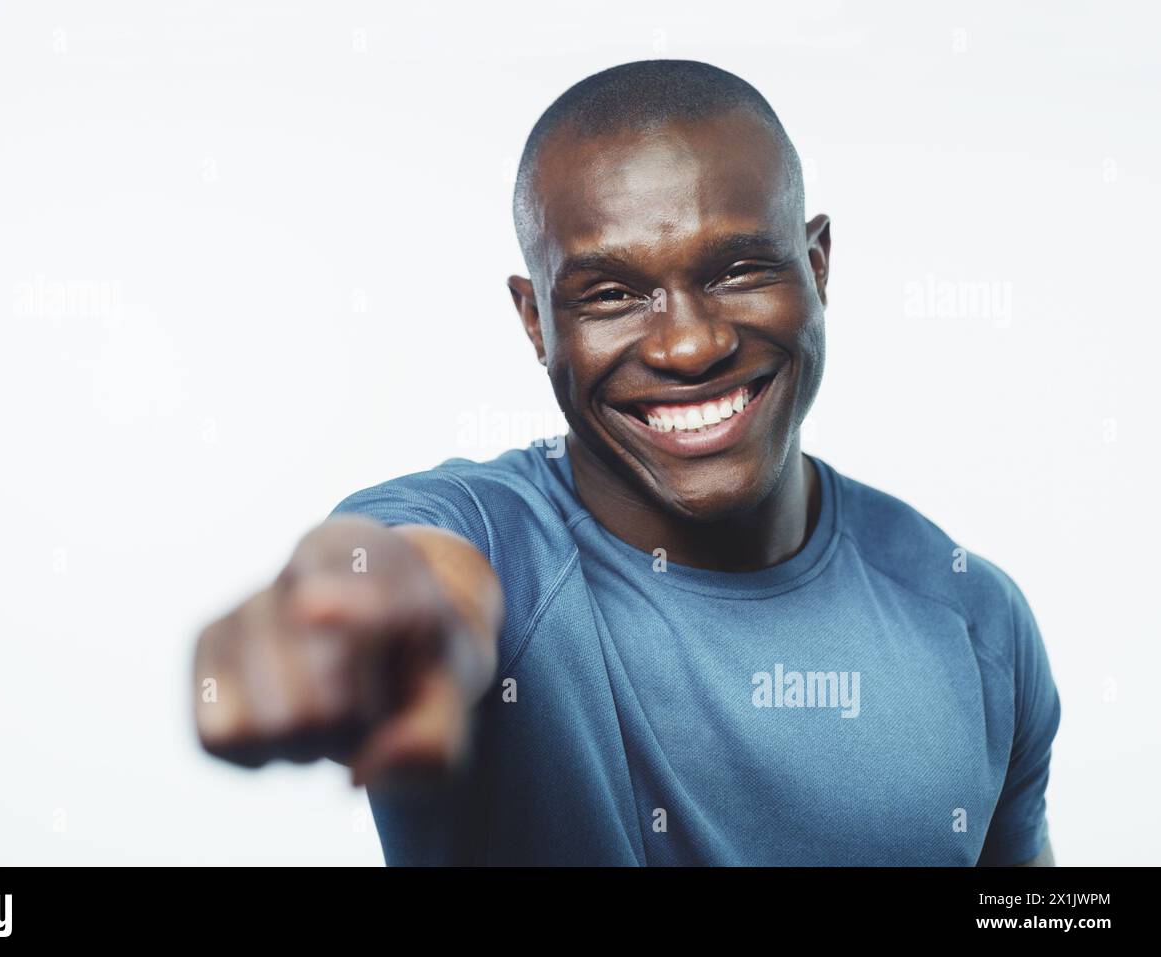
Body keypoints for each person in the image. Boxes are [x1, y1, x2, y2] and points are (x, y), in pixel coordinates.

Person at [191, 59, 1060, 866]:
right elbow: (409, 568)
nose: (688, 344)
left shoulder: (973, 614)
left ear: (818, 263)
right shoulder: (491, 538)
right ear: (535, 322)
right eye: (611, 293)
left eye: (737, 270)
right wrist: (373, 624)